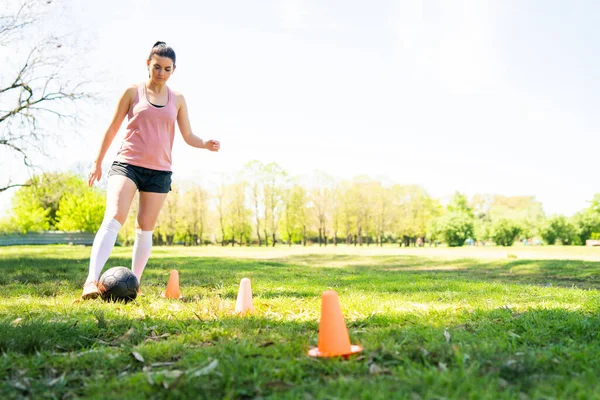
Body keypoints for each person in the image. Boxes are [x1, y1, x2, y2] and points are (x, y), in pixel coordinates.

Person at [79, 41, 220, 300]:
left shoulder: (177, 99)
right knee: (114, 217)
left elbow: (187, 135)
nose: (161, 73)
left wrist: (205, 144)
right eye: (157, 67)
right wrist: (98, 162)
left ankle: (134, 284)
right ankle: (91, 281)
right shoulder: (133, 92)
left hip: (159, 171)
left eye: (167, 69)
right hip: (128, 164)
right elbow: (112, 129)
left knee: (145, 228)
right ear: (148, 63)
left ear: (174, 69)